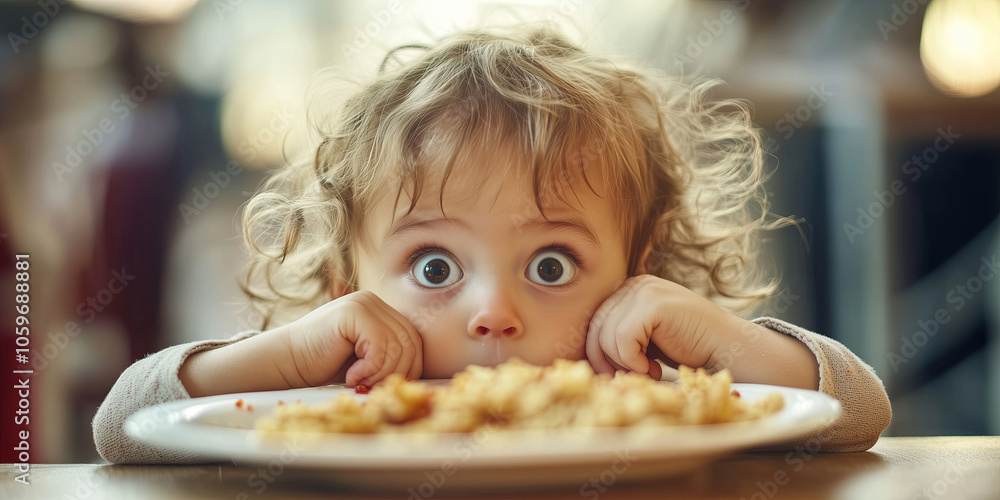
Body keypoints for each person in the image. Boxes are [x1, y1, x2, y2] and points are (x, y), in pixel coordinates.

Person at [93, 25, 891, 464]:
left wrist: (718, 337)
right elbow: (120, 427)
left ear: (633, 274)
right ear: (348, 282)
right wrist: (287, 356)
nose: (493, 313)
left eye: (552, 265)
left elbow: (860, 411)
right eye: (433, 266)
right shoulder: (340, 398)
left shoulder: (653, 393)